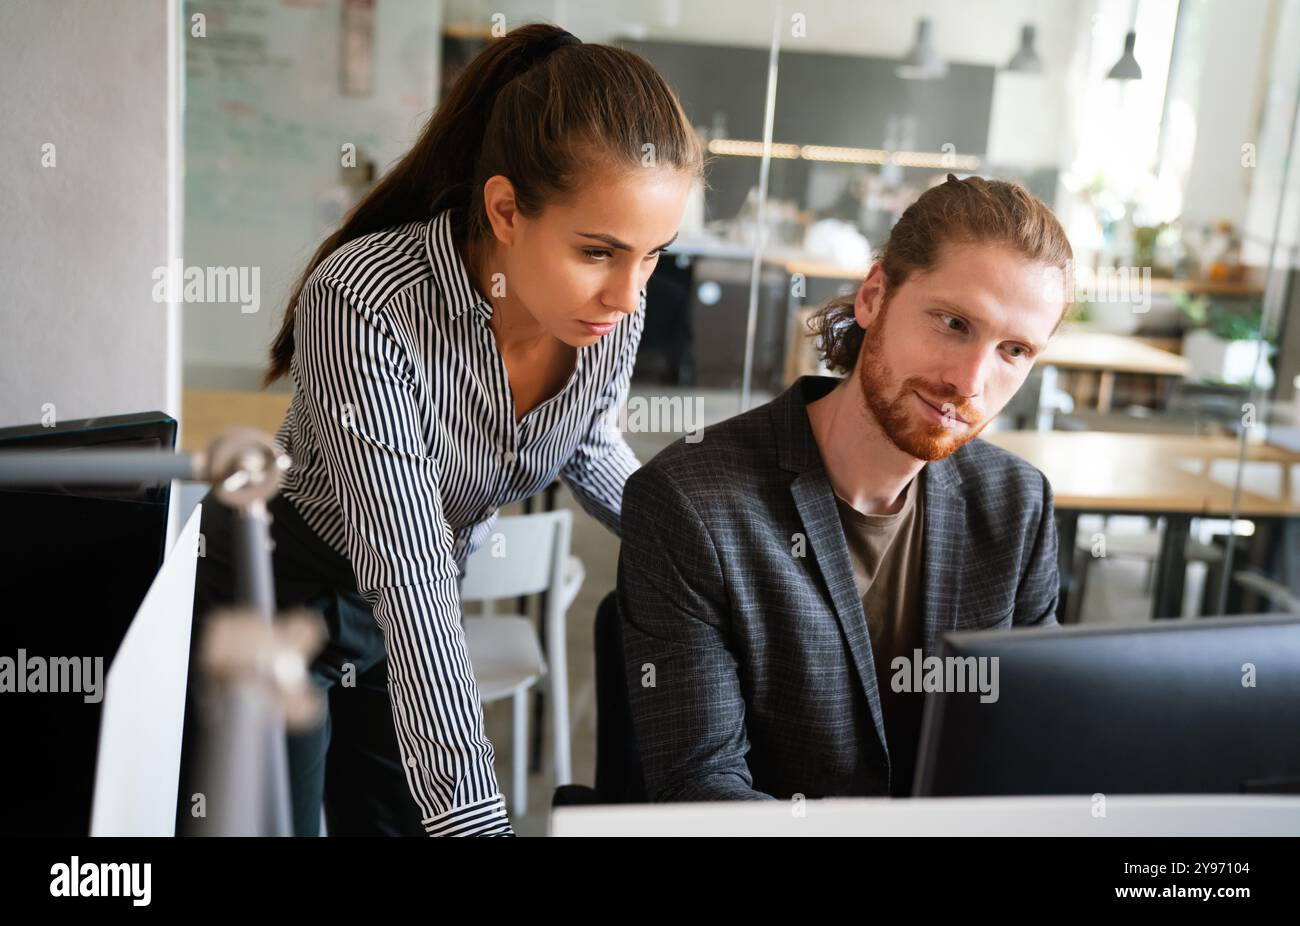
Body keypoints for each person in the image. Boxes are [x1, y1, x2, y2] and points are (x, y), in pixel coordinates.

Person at [182, 23, 703, 836]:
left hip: (414, 605)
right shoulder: (365, 301)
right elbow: (407, 554)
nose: (630, 295)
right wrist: (475, 820)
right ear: (504, 209)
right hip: (283, 586)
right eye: (600, 251)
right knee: (271, 821)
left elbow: (589, 440)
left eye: (653, 256)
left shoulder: (604, 313)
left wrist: (700, 548)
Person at [618, 175, 1068, 802]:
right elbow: (702, 788)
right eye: (953, 323)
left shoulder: (1017, 506)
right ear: (874, 297)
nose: (970, 382)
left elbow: (1034, 740)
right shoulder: (692, 502)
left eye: (1014, 350)